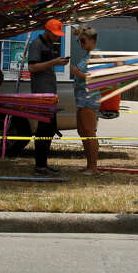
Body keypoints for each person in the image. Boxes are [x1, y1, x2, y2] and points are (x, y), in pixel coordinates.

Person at [26, 18, 68, 175]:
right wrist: (53, 62)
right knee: (44, 129)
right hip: (41, 93)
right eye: (55, 34)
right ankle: (40, 167)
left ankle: (43, 164)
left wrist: (57, 62)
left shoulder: (48, 45)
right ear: (47, 31)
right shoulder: (36, 44)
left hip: (50, 93)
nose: (57, 37)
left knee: (50, 129)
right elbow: (32, 67)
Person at [70, 26, 100, 174]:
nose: (81, 44)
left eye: (83, 40)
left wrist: (77, 73)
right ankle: (89, 165)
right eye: (79, 41)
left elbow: (96, 78)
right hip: (81, 97)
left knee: (89, 131)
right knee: (82, 131)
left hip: (89, 98)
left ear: (92, 40)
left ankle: (93, 167)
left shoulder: (96, 56)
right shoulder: (88, 56)